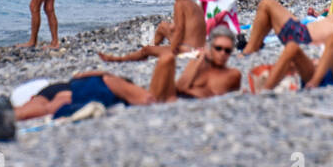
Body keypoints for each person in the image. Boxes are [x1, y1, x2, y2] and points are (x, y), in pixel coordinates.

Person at [16, 27, 241, 120]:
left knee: (166, 58)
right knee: (166, 58)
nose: (222, 54)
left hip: (174, 100)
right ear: (211, 48)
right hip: (174, 95)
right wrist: (198, 62)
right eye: (218, 49)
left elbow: (187, 91)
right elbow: (181, 85)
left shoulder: (232, 75)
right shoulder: (201, 65)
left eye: (227, 51)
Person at [98, 0, 207, 62]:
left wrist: (173, 49)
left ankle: (119, 59)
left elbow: (179, 29)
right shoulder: (195, 5)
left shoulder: (179, 4)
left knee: (147, 50)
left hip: (188, 50)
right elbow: (184, 27)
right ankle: (151, 48)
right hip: (198, 48)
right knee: (163, 25)